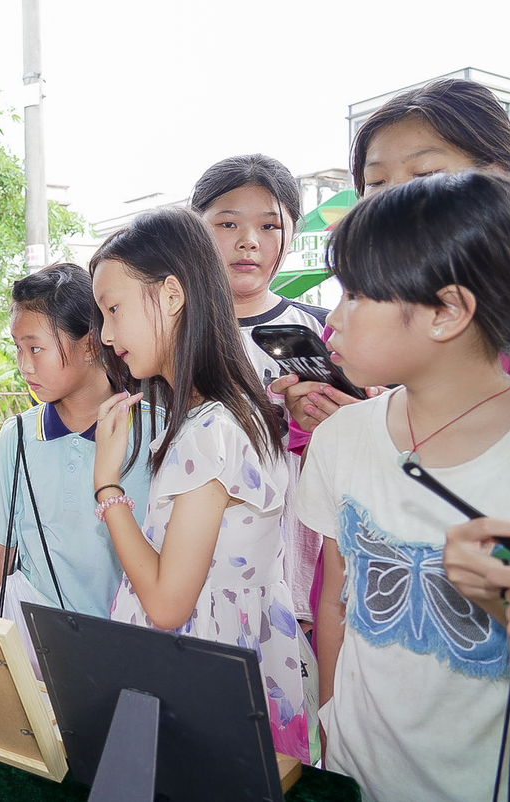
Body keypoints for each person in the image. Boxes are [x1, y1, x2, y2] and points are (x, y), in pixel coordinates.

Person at [297, 171, 510, 801]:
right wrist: (329, 722)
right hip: (354, 769)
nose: (333, 320)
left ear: (447, 312)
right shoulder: (341, 437)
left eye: (357, 295)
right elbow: (335, 602)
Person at [91, 207, 308, 761]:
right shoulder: (233, 411)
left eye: (113, 309)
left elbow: (167, 604)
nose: (108, 335)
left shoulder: (211, 429)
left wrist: (107, 487)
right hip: (236, 661)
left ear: (171, 295)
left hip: (204, 679)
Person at [274, 78, 510, 432]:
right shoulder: (355, 321)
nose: (394, 196)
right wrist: (323, 421)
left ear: (500, 173)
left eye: (425, 174)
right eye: (377, 182)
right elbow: (310, 448)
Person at [0, 264, 151, 625]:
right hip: (38, 640)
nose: (24, 366)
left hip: (136, 636)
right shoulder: (18, 437)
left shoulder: (154, 431)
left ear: (90, 345)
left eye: (35, 348)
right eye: (18, 348)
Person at [191, 155, 327, 625]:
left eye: (270, 226)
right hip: (194, 566)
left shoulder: (325, 331)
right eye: (227, 223)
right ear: (196, 228)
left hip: (296, 559)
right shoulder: (168, 335)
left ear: (293, 234)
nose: (248, 241)